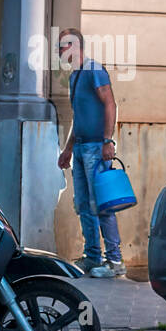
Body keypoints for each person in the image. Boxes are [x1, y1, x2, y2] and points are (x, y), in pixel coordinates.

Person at [56, 27, 125, 278]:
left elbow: (110, 103)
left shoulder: (94, 70)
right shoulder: (75, 77)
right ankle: (93, 255)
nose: (59, 51)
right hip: (82, 147)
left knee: (103, 205)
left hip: (97, 147)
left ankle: (115, 261)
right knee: (84, 205)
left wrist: (108, 140)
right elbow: (79, 117)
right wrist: (68, 149)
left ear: (75, 46)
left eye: (63, 46)